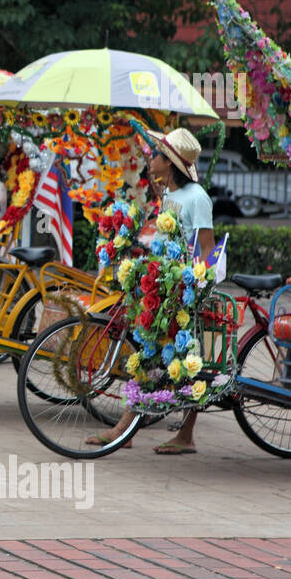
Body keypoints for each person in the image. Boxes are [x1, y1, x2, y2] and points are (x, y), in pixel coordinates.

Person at [87, 127, 214, 455]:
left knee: (177, 358)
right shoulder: (169, 194)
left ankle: (172, 433)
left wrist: (189, 289)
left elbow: (206, 251)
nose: (150, 159)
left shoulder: (198, 198)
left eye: (156, 155)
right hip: (162, 284)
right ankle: (127, 429)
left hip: (181, 291)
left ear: (170, 163)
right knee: (154, 354)